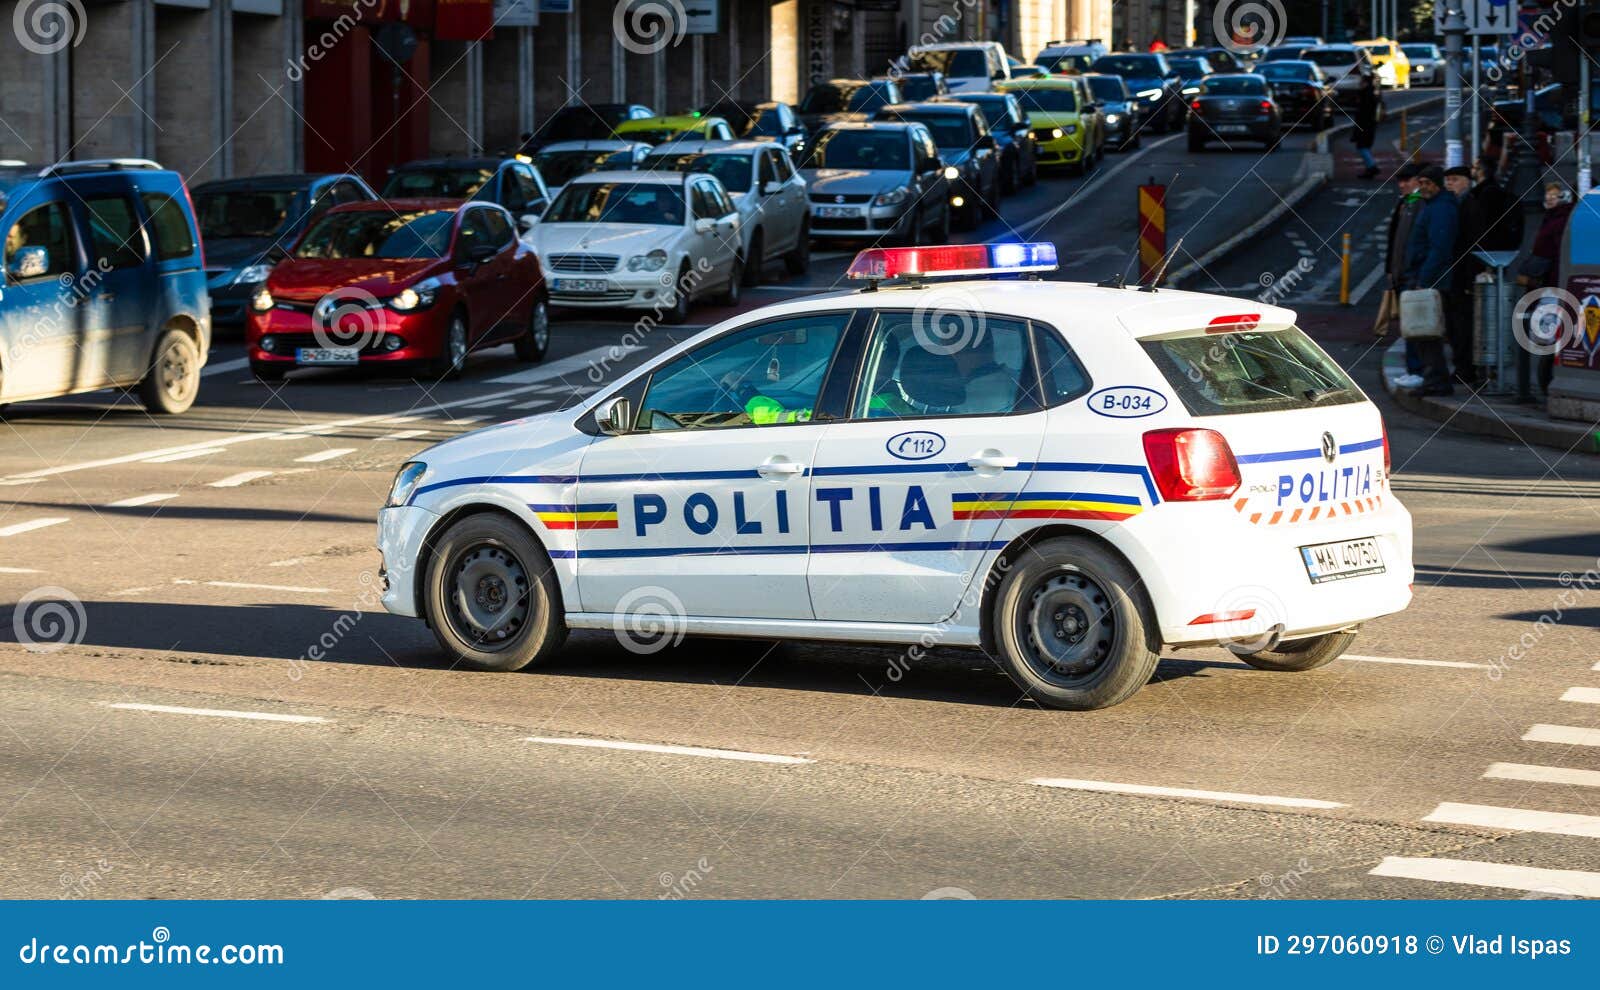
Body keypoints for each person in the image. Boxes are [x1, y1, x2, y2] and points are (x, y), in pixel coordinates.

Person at [1403, 164, 1460, 397]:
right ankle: (1435, 378)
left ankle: (1436, 380)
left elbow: (1439, 248)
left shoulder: (1441, 209)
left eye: (1428, 183)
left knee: (1427, 333)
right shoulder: (1435, 206)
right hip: (1431, 277)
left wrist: (1424, 279)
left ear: (1437, 185)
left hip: (1434, 279)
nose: (1423, 187)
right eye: (1422, 183)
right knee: (1427, 333)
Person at [1517, 181, 1575, 392]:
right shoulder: (1555, 218)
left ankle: (1547, 384)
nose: (1549, 198)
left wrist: (1530, 272)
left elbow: (1550, 253)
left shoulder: (1559, 221)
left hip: (1553, 285)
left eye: (1555, 195)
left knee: (1549, 338)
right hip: (1553, 284)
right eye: (1548, 195)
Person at [1382, 163, 1424, 381]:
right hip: (1401, 274)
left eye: (1407, 181)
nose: (1403, 185)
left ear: (1418, 180)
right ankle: (1413, 368)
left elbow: (1416, 244)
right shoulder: (1405, 203)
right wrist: (1390, 269)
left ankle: (1416, 369)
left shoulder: (1419, 205)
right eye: (1400, 181)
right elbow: (1393, 240)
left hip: (1411, 275)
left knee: (1414, 324)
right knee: (1408, 324)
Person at [1353, 74, 1380, 179]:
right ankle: (1369, 168)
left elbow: (1362, 113)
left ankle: (1372, 167)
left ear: (1366, 83)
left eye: (1361, 82)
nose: (1359, 83)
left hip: (1365, 125)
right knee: (1364, 146)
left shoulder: (1365, 95)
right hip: (1369, 125)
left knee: (1362, 146)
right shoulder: (1371, 94)